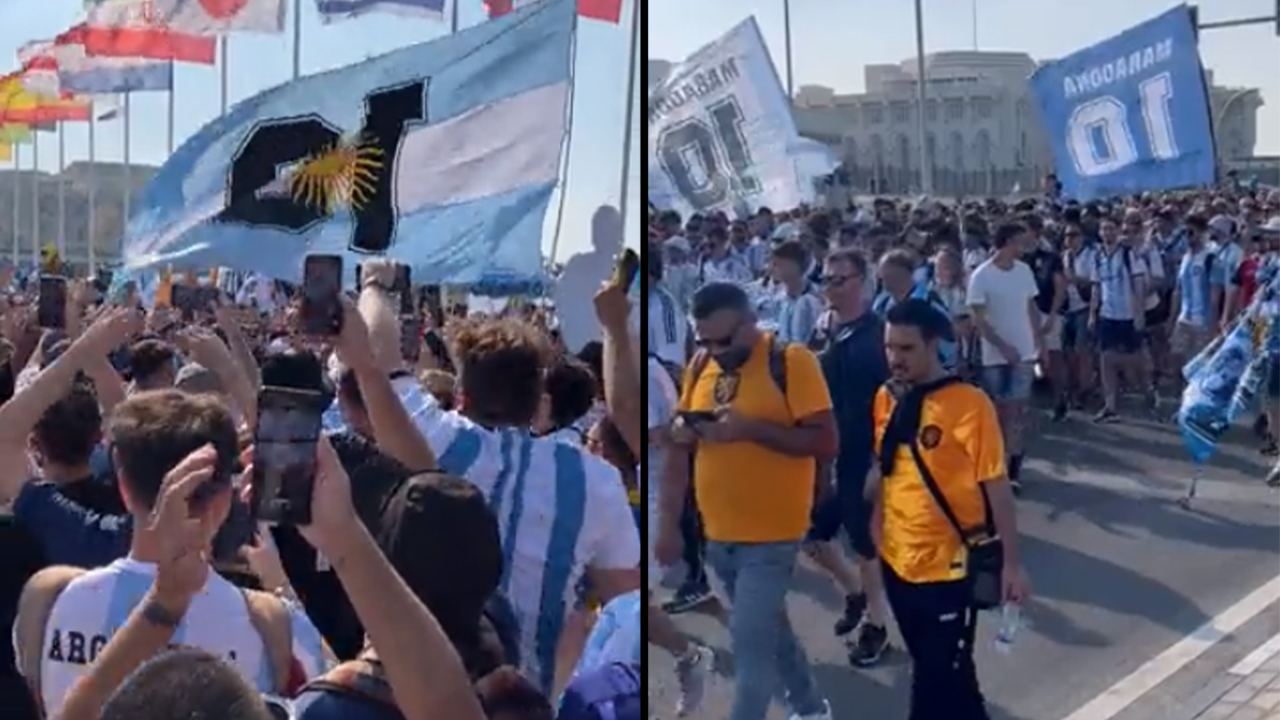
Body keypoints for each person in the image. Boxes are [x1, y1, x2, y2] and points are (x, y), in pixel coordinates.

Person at [657, 281, 837, 720]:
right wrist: (666, 523)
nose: (716, 349)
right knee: (771, 628)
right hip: (718, 534)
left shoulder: (791, 361)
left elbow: (827, 440)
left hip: (773, 535)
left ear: (751, 322)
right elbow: (679, 448)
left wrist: (750, 429)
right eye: (705, 340)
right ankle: (812, 709)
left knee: (750, 648)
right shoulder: (701, 365)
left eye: (725, 339)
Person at [873, 299, 1029, 720]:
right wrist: (872, 535)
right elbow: (886, 474)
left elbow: (996, 486)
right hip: (898, 564)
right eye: (890, 347)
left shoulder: (969, 404)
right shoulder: (886, 399)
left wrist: (1011, 565)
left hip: (951, 568)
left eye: (906, 349)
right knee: (953, 678)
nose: (895, 358)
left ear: (932, 346)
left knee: (932, 679)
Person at [806, 248, 892, 666]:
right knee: (814, 535)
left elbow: (896, 399)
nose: (831, 288)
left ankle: (878, 626)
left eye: (839, 279)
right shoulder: (824, 328)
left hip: (865, 454)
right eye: (826, 279)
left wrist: (882, 462)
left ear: (863, 281)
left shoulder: (879, 335)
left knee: (864, 543)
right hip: (831, 453)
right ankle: (855, 593)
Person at [968, 222, 1043, 493]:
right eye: (1020, 241)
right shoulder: (982, 275)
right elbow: (978, 318)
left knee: (1016, 411)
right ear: (1008, 241)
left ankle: (1013, 470)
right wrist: (1001, 346)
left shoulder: (1024, 272)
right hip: (994, 357)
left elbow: (1031, 307)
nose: (1024, 246)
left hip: (1024, 353)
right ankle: (995, 465)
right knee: (999, 413)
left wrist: (1038, 343)